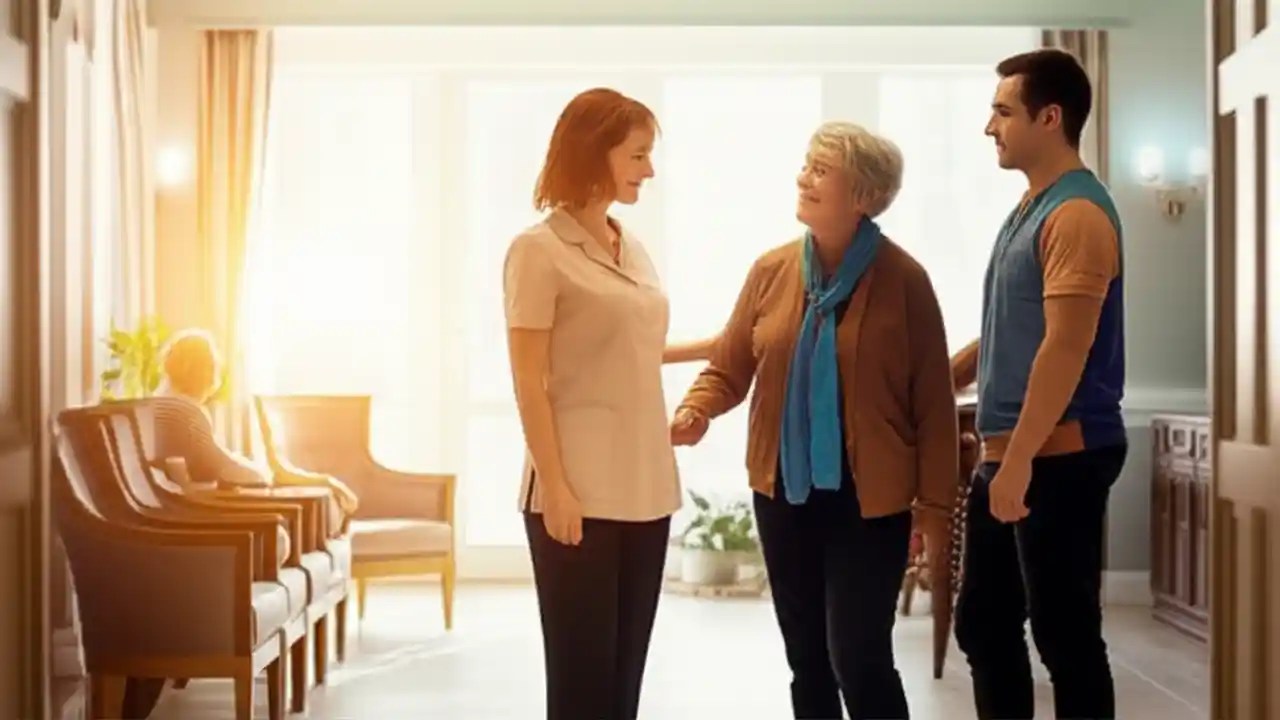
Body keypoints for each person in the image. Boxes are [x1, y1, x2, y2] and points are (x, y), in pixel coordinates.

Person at [670, 120, 958, 720]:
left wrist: (934, 511)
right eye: (806, 164)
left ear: (865, 195)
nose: (804, 177)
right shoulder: (771, 270)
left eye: (821, 169)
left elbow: (933, 407)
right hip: (784, 495)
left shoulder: (906, 281)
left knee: (859, 655)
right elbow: (728, 367)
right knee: (806, 659)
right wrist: (696, 408)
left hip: (870, 502)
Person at [503, 87, 700, 720]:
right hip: (576, 493)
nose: (648, 170)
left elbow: (633, 347)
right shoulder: (537, 251)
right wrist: (556, 488)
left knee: (623, 683)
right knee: (582, 681)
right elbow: (529, 379)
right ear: (596, 153)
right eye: (638, 155)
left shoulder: (629, 245)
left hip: (645, 487)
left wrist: (725, 343)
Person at [953, 48, 1126, 720]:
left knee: (1064, 636)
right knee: (984, 626)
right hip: (1018, 454)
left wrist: (1017, 461)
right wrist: (947, 375)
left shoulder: (1078, 215)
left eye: (1002, 111)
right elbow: (1014, 329)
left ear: (1049, 117)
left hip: (1058, 455)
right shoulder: (1033, 206)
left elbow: (1065, 346)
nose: (989, 126)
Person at [150, 328, 359, 527]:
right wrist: (260, 474)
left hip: (181, 508)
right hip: (197, 512)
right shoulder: (184, 411)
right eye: (211, 367)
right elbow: (222, 466)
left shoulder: (156, 404)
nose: (214, 376)